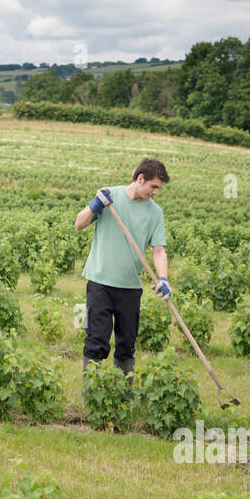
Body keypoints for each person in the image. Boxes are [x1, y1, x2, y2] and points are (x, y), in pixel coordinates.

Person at [73, 158, 170, 382]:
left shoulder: (155, 213)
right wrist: (94, 205)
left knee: (126, 345)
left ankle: (123, 398)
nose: (155, 192)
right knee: (96, 340)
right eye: (153, 186)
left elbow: (158, 250)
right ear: (140, 178)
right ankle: (92, 396)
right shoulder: (109, 197)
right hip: (100, 283)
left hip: (130, 287)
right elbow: (79, 224)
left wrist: (164, 279)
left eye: (159, 188)